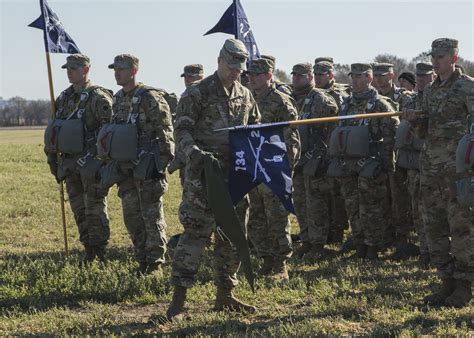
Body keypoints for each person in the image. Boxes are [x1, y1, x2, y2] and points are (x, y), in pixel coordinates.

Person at [166, 39, 260, 321]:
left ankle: (226, 294)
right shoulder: (198, 93)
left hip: (235, 177)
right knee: (195, 235)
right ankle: (178, 302)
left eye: (239, 67)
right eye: (231, 65)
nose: (235, 71)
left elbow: (255, 126)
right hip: (204, 178)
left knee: (231, 235)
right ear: (219, 60)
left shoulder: (245, 94)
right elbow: (181, 131)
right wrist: (194, 153)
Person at [404, 38, 473, 308]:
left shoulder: (467, 87)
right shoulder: (429, 91)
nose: (436, 61)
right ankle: (446, 281)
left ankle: (465, 285)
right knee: (434, 227)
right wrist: (415, 120)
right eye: (434, 56)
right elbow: (426, 129)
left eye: (442, 56)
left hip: (458, 172)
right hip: (431, 170)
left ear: (454, 58)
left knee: (462, 227)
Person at [107, 54, 174, 274]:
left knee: (151, 216)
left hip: (148, 169)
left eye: (121, 69)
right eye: (115, 69)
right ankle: (142, 260)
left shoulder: (150, 97)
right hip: (126, 169)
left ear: (134, 71)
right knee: (132, 217)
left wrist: (158, 167)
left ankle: (156, 264)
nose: (117, 73)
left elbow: (165, 134)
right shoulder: (117, 99)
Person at [45, 53, 112, 262]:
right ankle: (88, 250)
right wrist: (54, 162)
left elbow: (108, 131)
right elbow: (55, 131)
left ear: (86, 70)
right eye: (68, 69)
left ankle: (100, 252)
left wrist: (98, 160)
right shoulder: (63, 98)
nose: (70, 72)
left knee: (94, 209)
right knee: (79, 210)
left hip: (91, 164)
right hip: (70, 164)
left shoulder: (98, 97)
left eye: (74, 68)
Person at [327, 63, 398, 259]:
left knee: (371, 208)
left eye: (359, 77)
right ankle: (359, 245)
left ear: (369, 78)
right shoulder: (346, 105)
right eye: (353, 77)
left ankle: (373, 247)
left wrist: (387, 166)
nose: (355, 80)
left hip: (371, 165)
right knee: (353, 206)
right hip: (348, 165)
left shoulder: (380, 105)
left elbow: (391, 137)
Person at [246, 57, 299, 280]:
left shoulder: (280, 101)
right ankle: (265, 259)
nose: (252, 79)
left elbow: (292, 139)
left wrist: (285, 169)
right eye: (250, 75)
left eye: (257, 75)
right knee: (256, 216)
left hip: (274, 168)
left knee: (276, 216)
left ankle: (281, 263)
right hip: (252, 166)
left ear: (269, 76)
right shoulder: (246, 99)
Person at [393, 62, 435, 263]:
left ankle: (438, 251)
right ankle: (425, 250)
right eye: (418, 76)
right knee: (417, 209)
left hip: (436, 164)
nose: (421, 80)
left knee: (435, 209)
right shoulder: (410, 101)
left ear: (432, 77)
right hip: (414, 163)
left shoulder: (437, 99)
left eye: (425, 76)